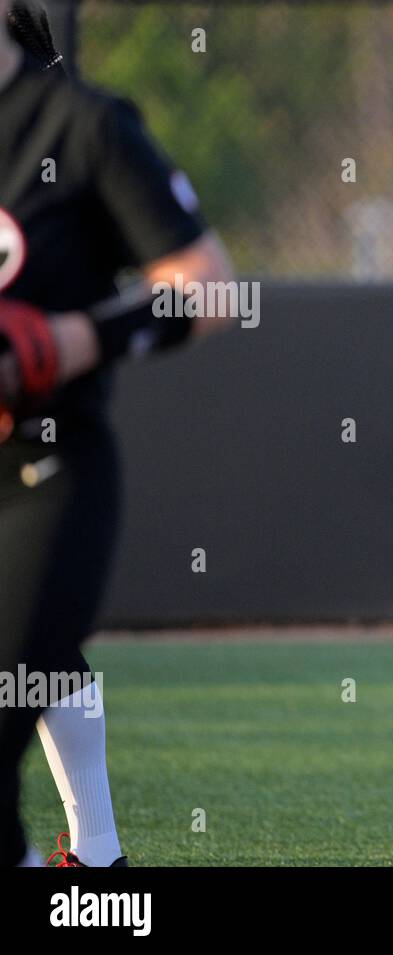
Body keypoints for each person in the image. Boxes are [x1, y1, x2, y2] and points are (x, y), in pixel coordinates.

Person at [0, 0, 236, 867]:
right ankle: (96, 861)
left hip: (39, 467)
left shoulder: (76, 125)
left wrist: (74, 339)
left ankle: (97, 854)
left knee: (39, 658)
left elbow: (212, 289)